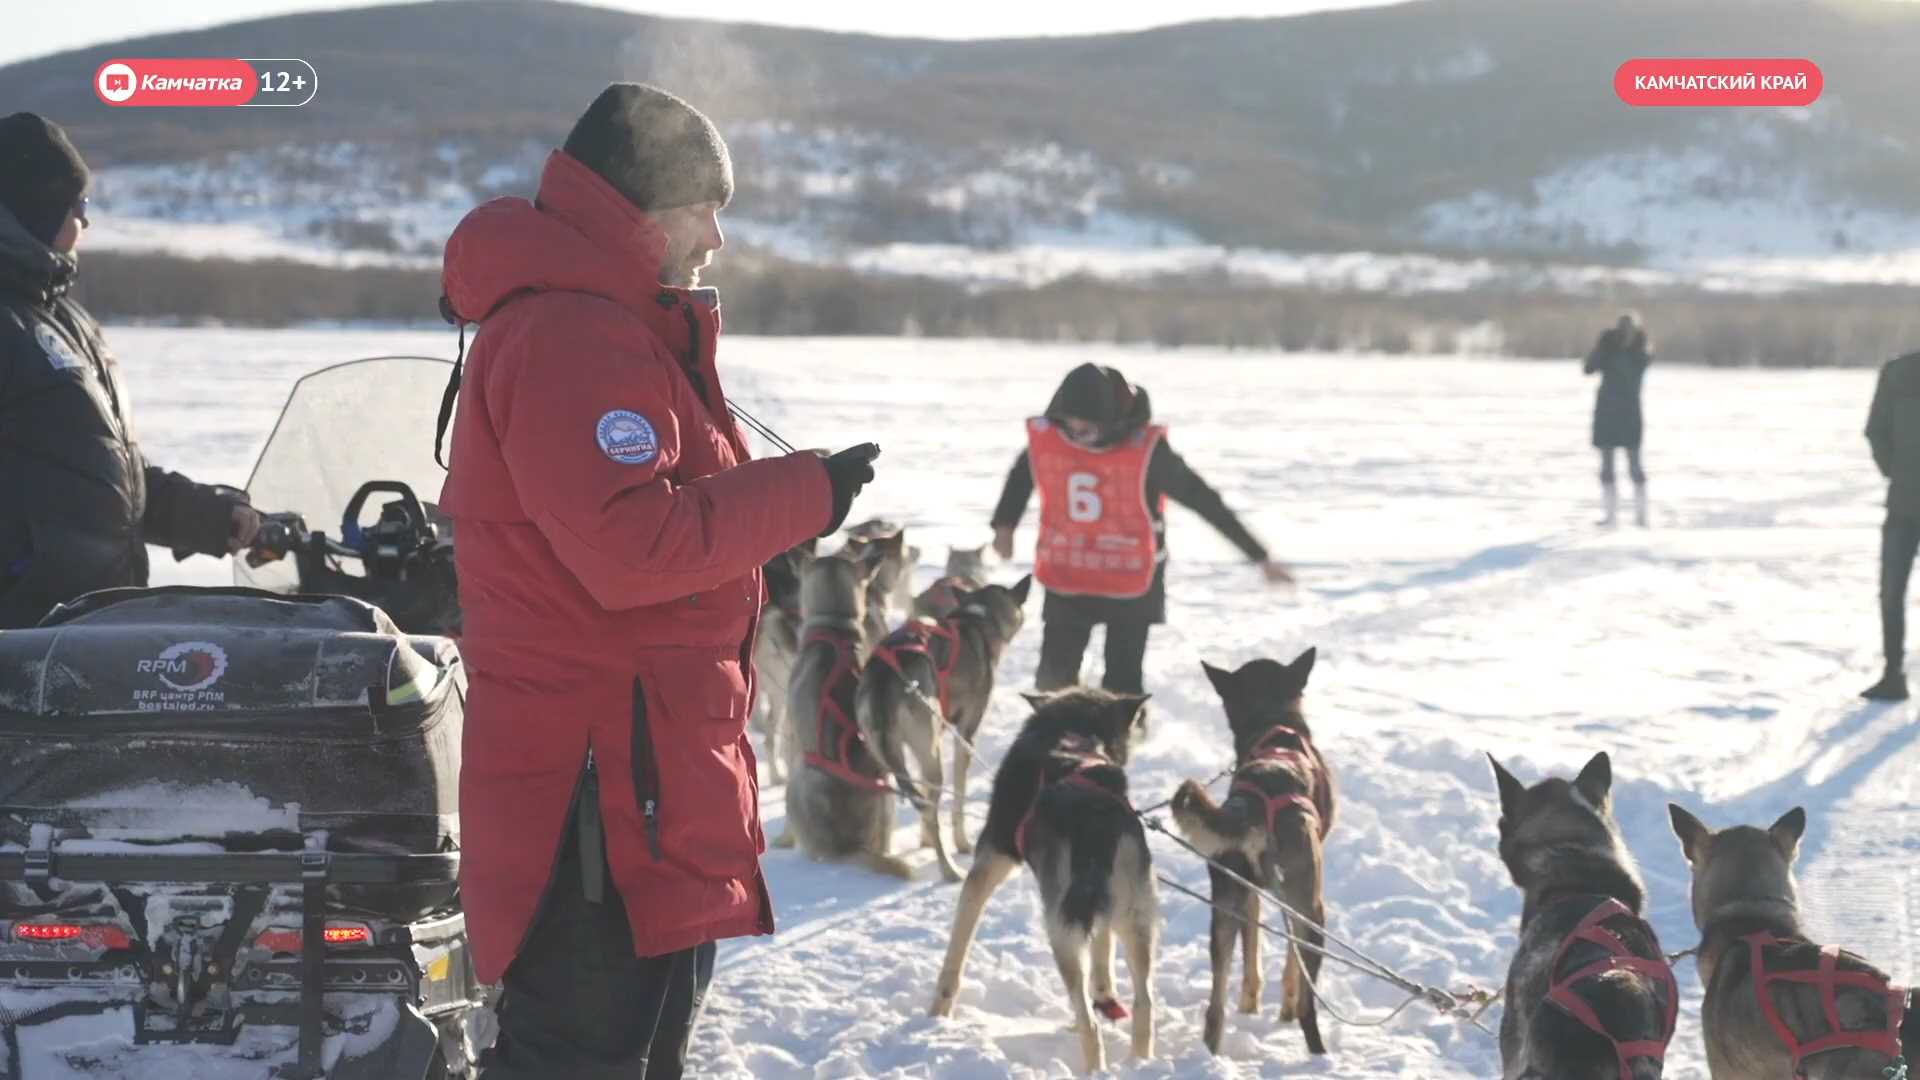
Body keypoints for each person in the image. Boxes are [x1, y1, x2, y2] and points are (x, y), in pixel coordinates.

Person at [436, 83, 877, 1078]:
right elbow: (635, 551)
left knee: (633, 1049)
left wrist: (795, 498)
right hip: (603, 791)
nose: (717, 238)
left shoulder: (609, 326)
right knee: (588, 1057)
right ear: (647, 208)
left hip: (639, 772)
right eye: (707, 209)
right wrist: (802, 498)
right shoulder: (574, 337)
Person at [0, 112, 261, 630]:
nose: (86, 221)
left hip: (92, 627)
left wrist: (207, 517)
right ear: (37, 208)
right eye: (79, 205)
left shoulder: (66, 321)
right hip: (23, 635)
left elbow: (100, 475)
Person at [989, 363, 1291, 696]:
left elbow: (1204, 501)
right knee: (1053, 680)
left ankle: (1123, 737)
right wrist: (1005, 525)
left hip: (1132, 578)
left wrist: (1258, 555)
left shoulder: (1148, 453)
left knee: (1123, 680)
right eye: (1069, 423)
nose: (1075, 431)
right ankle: (1052, 738)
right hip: (1068, 571)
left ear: (1114, 421)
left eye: (1087, 426)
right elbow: (1021, 477)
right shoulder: (1048, 440)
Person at [1863, 350, 1920, 701]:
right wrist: (1897, 473)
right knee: (1890, 592)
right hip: (1903, 506)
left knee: (1891, 592)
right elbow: (1875, 430)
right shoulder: (1898, 372)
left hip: (1903, 499)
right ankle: (1892, 675)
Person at [1584, 311, 1653, 528]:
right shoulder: (1612, 350)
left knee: (1632, 466)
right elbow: (1588, 369)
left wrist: (1607, 348)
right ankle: (1612, 517)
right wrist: (1602, 347)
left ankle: (1639, 517)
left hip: (1626, 412)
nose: (1626, 335)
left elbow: (1633, 368)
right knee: (1610, 466)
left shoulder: (1640, 353)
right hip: (1610, 412)